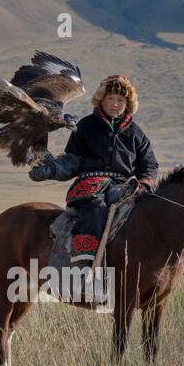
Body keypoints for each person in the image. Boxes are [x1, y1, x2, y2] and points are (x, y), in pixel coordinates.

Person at [29, 74, 157, 275]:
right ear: (101, 100)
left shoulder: (136, 133)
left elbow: (148, 163)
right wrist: (51, 169)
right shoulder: (85, 127)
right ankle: (85, 267)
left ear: (128, 104)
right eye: (110, 99)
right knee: (96, 208)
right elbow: (72, 160)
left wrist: (144, 183)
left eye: (120, 100)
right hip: (90, 185)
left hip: (124, 186)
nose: (115, 104)